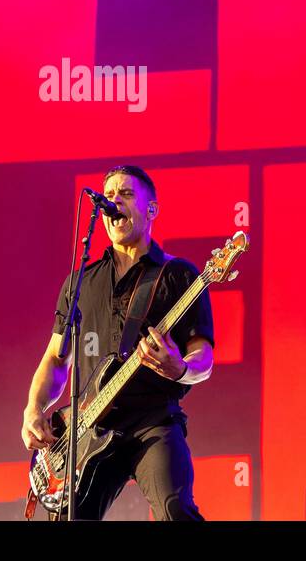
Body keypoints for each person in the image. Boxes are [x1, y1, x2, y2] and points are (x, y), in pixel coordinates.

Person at [22, 164, 215, 520]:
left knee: (175, 509)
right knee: (66, 518)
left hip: (153, 421)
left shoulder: (178, 275)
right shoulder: (81, 282)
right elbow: (55, 358)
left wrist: (181, 369)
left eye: (125, 195)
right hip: (88, 430)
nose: (114, 202)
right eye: (108, 196)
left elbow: (203, 357)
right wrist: (33, 408)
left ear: (151, 210)